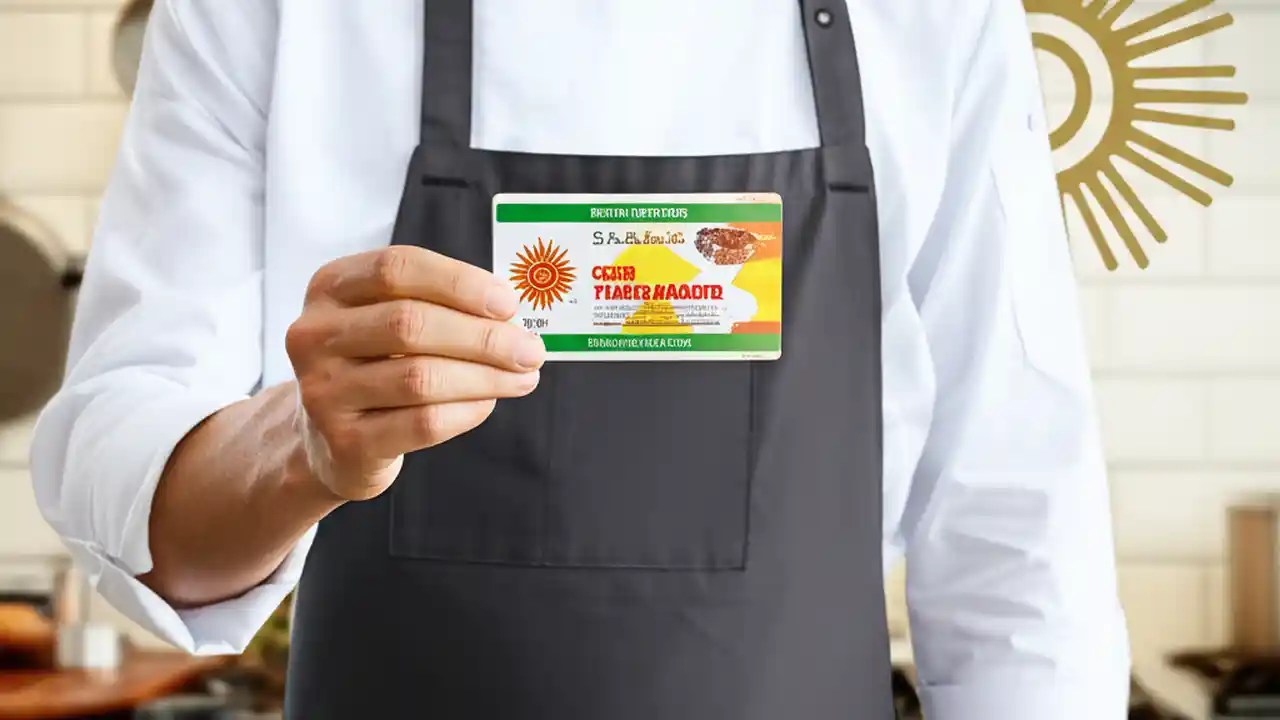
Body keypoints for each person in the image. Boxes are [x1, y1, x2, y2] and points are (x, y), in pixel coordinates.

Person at [30, 1, 1130, 717]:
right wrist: (298, 446)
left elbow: (1013, 521)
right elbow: (115, 456)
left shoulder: (934, 17)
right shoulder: (272, 13)